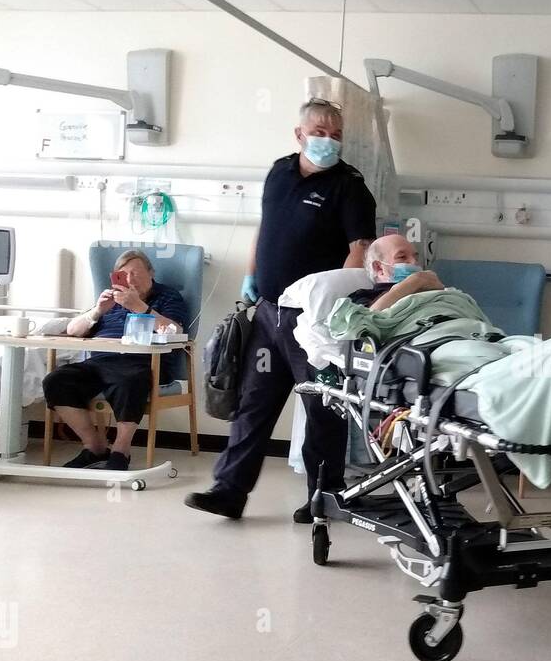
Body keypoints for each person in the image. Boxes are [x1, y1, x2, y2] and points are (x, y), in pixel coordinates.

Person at [185, 98, 377, 522]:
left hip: (310, 321)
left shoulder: (349, 186)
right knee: (253, 404)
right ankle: (229, 490)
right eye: (320, 132)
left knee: (322, 411)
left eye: (336, 134)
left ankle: (324, 497)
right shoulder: (279, 172)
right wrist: (251, 275)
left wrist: (327, 304)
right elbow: (265, 227)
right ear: (300, 134)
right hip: (269, 314)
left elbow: (360, 251)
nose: (328, 141)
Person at [42, 248, 188, 471]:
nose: (130, 280)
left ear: (151, 273)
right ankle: (95, 447)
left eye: (136, 273)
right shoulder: (110, 298)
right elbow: (73, 330)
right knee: (56, 380)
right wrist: (97, 311)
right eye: (123, 275)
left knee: (129, 380)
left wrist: (140, 307)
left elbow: (175, 332)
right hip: (100, 362)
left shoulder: (167, 296)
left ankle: (121, 450)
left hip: (143, 363)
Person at [352, 234, 444, 310]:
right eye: (402, 257)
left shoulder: (429, 290)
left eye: (416, 257)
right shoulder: (362, 296)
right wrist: (414, 282)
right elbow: (368, 319)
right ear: (379, 268)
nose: (414, 262)